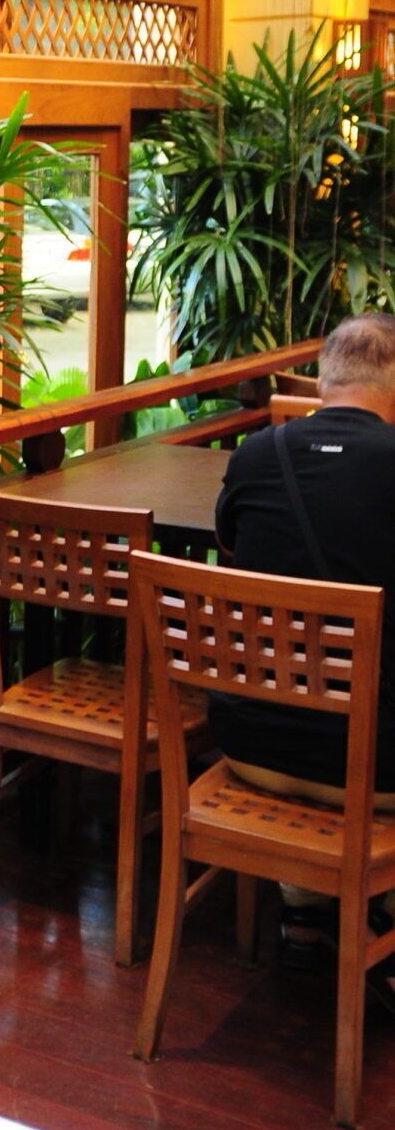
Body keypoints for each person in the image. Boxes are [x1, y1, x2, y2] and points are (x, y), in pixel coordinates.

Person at [212, 311, 395, 992]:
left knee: (311, 700)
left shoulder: (259, 454)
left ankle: (302, 916)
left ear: (325, 381)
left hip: (248, 747)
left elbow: (230, 544)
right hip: (376, 772)